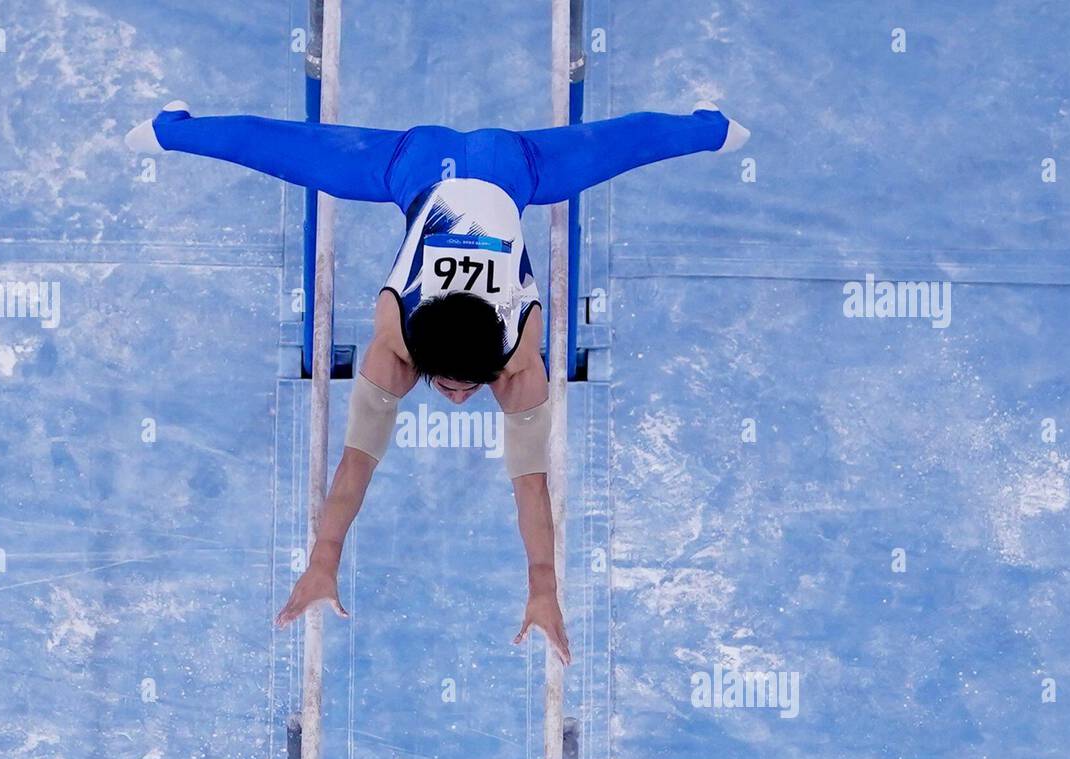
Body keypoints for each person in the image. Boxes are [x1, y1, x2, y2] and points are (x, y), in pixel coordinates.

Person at [127, 101, 749, 664]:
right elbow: (352, 466)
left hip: (485, 165)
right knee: (275, 145)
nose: (454, 397)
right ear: (417, 357)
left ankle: (711, 128)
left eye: (462, 388)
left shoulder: (519, 355)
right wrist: (321, 561)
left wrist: (545, 589)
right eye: (450, 386)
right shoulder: (395, 336)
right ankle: (170, 129)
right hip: (453, 165)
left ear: (497, 367)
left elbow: (534, 490)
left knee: (636, 140)